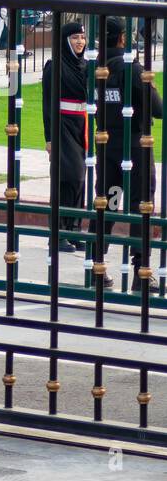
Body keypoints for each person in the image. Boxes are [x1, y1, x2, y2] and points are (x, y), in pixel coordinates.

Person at [94, 18, 164, 287]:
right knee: (140, 203)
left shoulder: (96, 67)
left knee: (107, 201)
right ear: (122, 38)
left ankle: (96, 262)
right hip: (135, 144)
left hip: (106, 142)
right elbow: (157, 109)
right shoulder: (132, 69)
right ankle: (140, 269)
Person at [41, 22, 90, 252]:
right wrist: (49, 138)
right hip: (62, 125)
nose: (80, 42)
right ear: (65, 40)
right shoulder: (55, 66)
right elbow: (47, 104)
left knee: (80, 179)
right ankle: (58, 233)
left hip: (81, 124)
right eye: (74, 38)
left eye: (82, 37)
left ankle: (74, 229)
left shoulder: (85, 65)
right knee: (67, 176)